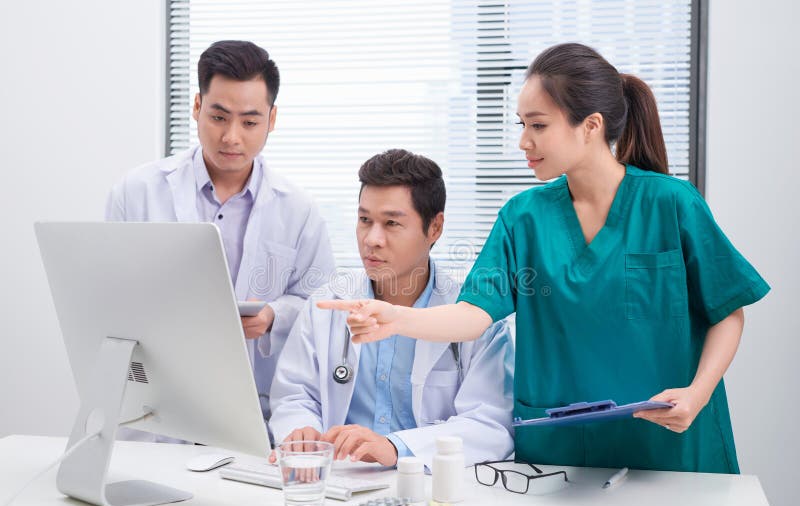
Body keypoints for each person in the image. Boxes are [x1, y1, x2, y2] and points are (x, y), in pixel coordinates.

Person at [319, 43, 770, 473]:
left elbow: (727, 312)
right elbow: (473, 315)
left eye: (538, 126)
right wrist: (396, 319)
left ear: (590, 125)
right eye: (522, 125)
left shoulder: (671, 204)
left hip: (670, 446)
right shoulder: (524, 218)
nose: (523, 142)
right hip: (561, 459)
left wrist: (698, 391)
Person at [106, 41, 335, 432]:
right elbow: (110, 292)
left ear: (272, 119)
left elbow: (321, 304)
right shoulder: (138, 191)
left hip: (252, 408)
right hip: (156, 408)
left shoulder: (299, 210)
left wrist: (272, 316)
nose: (232, 137)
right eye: (218, 117)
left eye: (249, 122)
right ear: (197, 107)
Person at [268, 149, 514, 468]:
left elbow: (490, 425)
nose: (372, 239)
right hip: (339, 480)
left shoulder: (473, 316)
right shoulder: (325, 305)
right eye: (364, 220)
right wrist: (303, 432)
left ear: (435, 228)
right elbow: (294, 395)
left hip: (428, 487)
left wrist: (396, 447)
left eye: (391, 223)